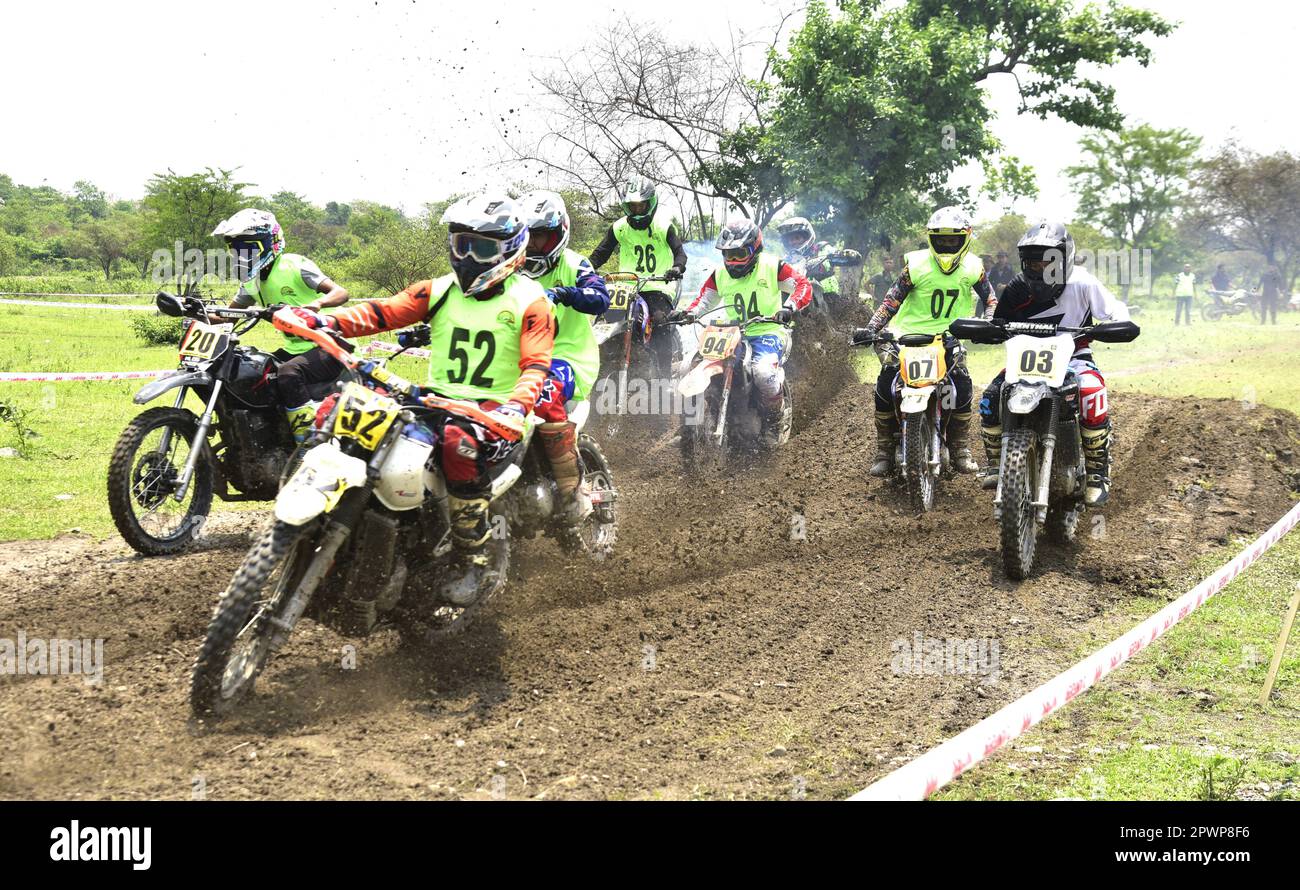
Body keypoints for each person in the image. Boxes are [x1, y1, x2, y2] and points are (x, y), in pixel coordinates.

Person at [291, 193, 554, 603]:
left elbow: (536, 364)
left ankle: (474, 556)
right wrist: (323, 319)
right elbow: (379, 313)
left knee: (457, 444)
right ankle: (321, 515)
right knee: (344, 404)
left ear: (511, 250)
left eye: (481, 247)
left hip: (490, 413)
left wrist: (517, 405)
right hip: (433, 399)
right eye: (460, 244)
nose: (467, 257)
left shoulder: (530, 301)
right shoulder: (439, 291)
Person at [979, 220, 1133, 507]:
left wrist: (1118, 324)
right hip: (1026, 358)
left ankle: (1098, 472)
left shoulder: (1083, 282)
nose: (1039, 269)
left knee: (1091, 393)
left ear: (1065, 258)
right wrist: (986, 329)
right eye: (1033, 263)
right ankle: (995, 462)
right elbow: (998, 321)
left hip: (1075, 357)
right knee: (989, 397)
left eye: (1047, 262)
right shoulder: (1016, 287)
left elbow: (1115, 311)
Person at [855, 206, 993, 477]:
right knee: (887, 381)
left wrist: (988, 322)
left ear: (964, 238)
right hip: (907, 336)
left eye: (953, 239)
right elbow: (891, 301)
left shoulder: (974, 267)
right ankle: (884, 449)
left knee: (962, 384)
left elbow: (990, 299)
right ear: (931, 238)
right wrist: (871, 328)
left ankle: (960, 447)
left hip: (951, 336)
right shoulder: (915, 266)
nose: (946, 244)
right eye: (940, 239)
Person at [668, 218, 812, 446]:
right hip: (731, 332)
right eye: (728, 255)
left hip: (768, 331)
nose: (733, 261)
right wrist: (686, 313)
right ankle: (688, 428)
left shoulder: (773, 266)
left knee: (763, 373)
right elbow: (703, 300)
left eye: (739, 254)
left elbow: (803, 286)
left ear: (754, 249)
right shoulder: (719, 274)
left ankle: (774, 421)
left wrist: (789, 307)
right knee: (694, 365)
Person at [212, 209, 349, 441]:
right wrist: (194, 312)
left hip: (330, 343)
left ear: (269, 243)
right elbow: (229, 315)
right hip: (296, 349)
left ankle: (307, 445)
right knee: (253, 372)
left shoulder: (294, 265)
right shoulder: (251, 282)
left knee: (288, 372)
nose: (242, 256)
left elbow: (341, 292)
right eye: (237, 250)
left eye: (248, 249)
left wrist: (317, 304)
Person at [518, 190, 610, 523]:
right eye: (528, 238)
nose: (533, 246)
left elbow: (600, 297)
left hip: (568, 358)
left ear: (558, 234)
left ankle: (573, 492)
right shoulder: (510, 271)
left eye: (540, 237)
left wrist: (564, 293)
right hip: (516, 360)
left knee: (541, 396)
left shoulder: (575, 264)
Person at [587, 178, 688, 373]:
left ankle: (665, 377)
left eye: (642, 205)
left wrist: (676, 268)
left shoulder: (663, 226)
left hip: (658, 285)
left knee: (660, 320)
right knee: (603, 317)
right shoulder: (619, 227)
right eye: (632, 206)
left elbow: (680, 253)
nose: (638, 210)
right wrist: (586, 268)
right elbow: (601, 253)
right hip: (626, 286)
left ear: (651, 203)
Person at [776, 217, 859, 311]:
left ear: (807, 237)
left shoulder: (822, 249)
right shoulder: (786, 260)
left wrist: (844, 255)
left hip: (829, 299)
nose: (793, 242)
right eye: (790, 240)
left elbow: (837, 254)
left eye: (797, 238)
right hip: (796, 297)